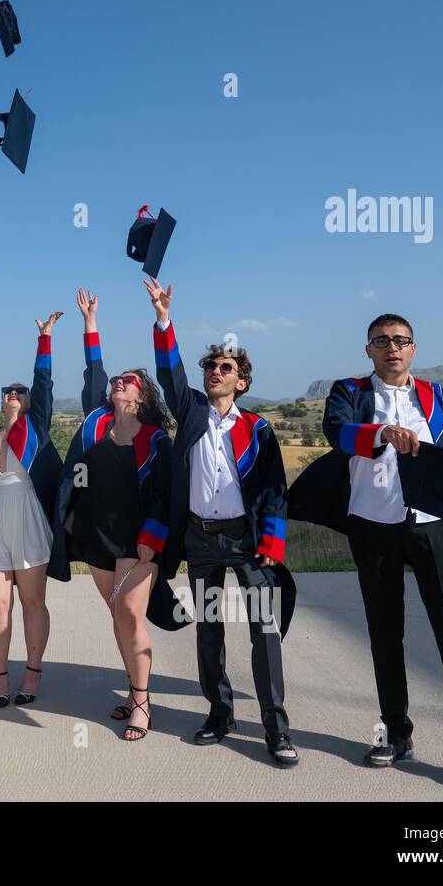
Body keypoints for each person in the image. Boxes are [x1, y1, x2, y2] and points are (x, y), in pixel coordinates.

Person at [295, 313, 443, 797]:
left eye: (400, 340)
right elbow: (337, 432)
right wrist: (381, 434)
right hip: (373, 528)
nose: (392, 347)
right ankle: (397, 734)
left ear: (413, 348)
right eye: (381, 341)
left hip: (435, 530)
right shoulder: (349, 391)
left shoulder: (439, 399)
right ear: (368, 349)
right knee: (384, 632)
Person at [146, 278, 298, 767]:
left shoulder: (258, 429)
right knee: (209, 628)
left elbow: (275, 491)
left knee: (263, 631)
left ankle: (276, 729)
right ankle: (220, 714)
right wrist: (164, 319)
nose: (214, 371)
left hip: (247, 543)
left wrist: (273, 546)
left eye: (224, 367)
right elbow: (169, 374)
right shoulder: (190, 412)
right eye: (210, 365)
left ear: (242, 381)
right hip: (201, 541)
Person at [49, 290, 174, 741]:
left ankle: (141, 702)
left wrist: (153, 535)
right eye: (116, 381)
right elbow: (93, 374)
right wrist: (90, 324)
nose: (118, 383)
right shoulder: (96, 424)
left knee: (130, 615)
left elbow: (164, 494)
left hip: (139, 539)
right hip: (97, 536)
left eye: (129, 381)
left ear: (141, 397)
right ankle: (132, 690)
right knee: (118, 616)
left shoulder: (156, 440)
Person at [0, 312, 64, 707]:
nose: (12, 394)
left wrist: (44, 340)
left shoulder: (35, 429)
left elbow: (43, 386)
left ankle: (33, 670)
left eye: (18, 391)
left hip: (28, 518)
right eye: (7, 391)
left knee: (31, 603)